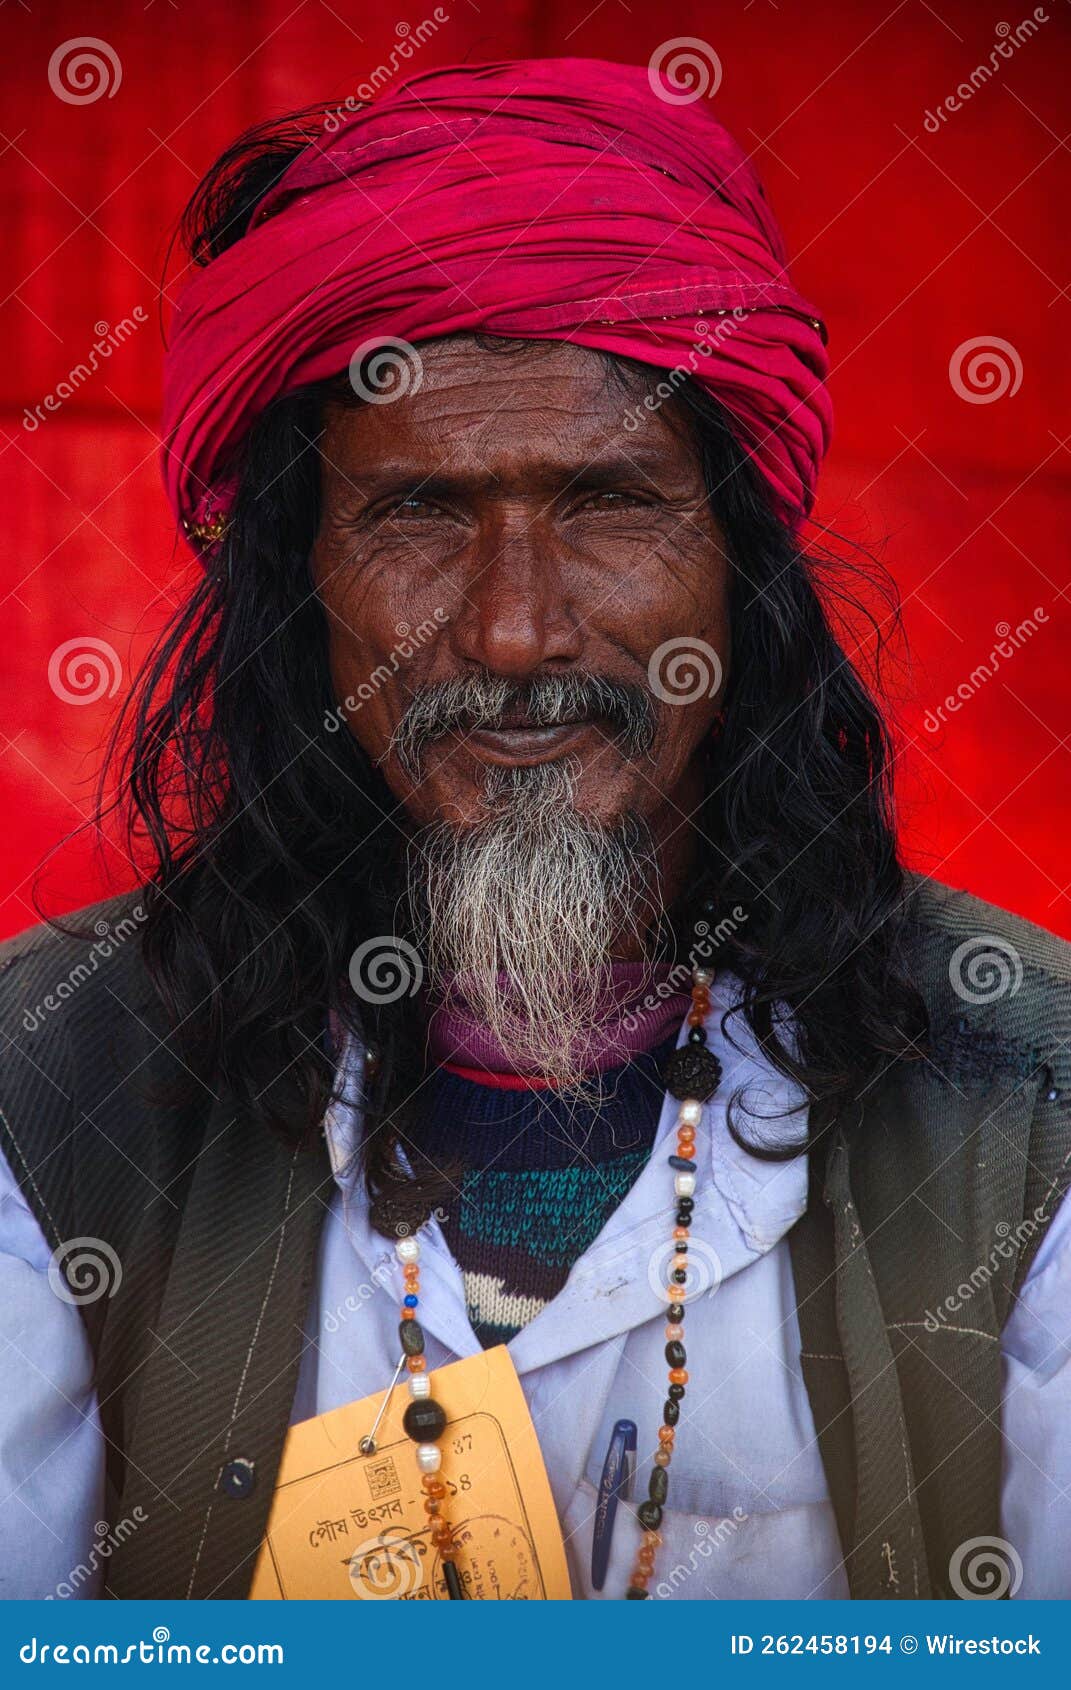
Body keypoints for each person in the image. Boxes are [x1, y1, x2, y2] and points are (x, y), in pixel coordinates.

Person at [1, 57, 1068, 1603]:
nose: (513, 631)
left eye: (612, 501)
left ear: (740, 570)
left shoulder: (1032, 1102)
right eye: (420, 513)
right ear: (297, 591)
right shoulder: (46, 1092)